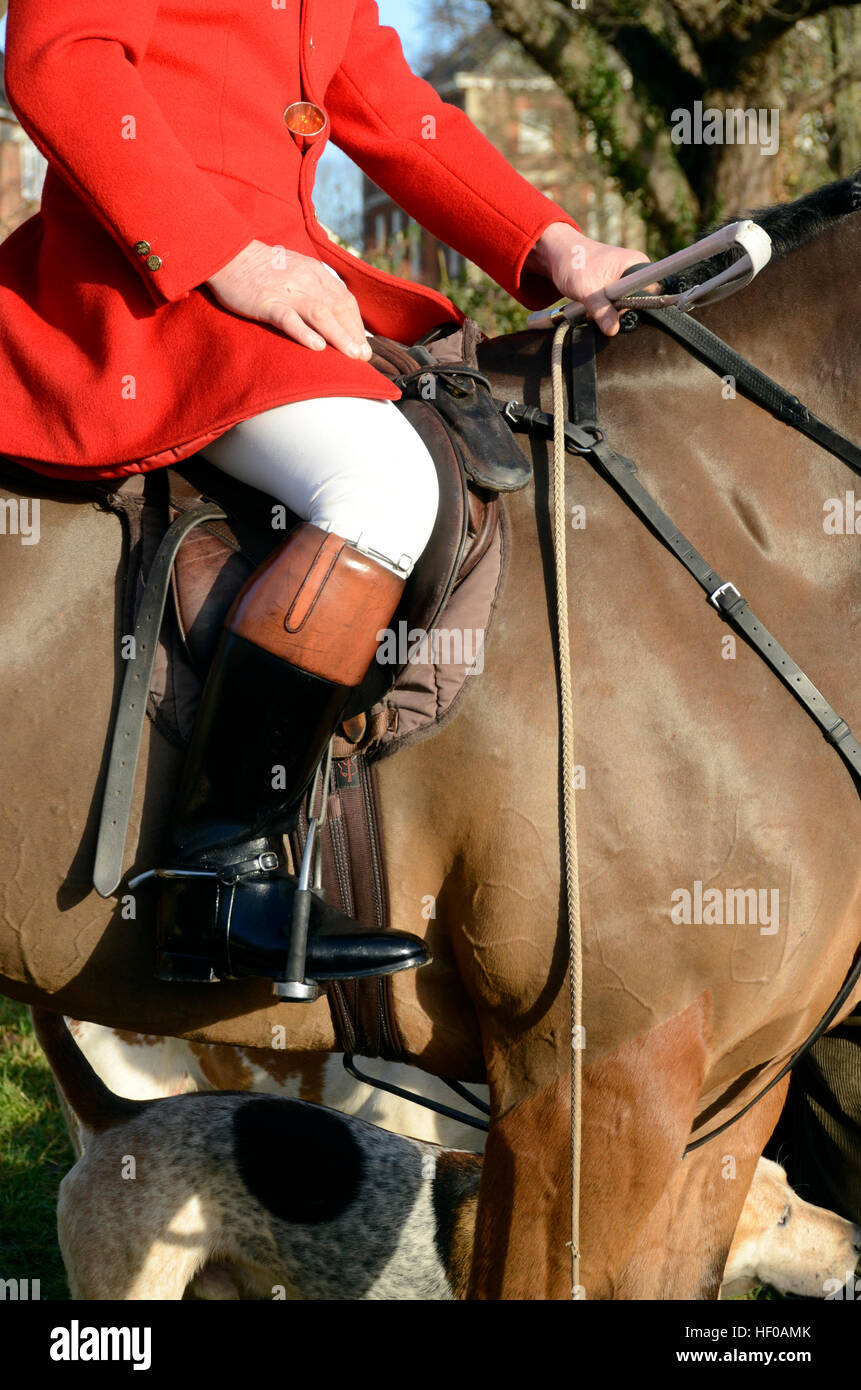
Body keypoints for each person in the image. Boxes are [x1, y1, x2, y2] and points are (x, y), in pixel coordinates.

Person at [0, 1, 650, 989]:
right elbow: (63, 62)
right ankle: (214, 869)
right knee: (378, 482)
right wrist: (230, 258)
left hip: (287, 284)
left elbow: (390, 104)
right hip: (151, 285)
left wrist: (559, 246)